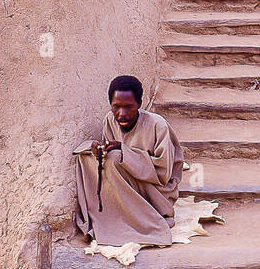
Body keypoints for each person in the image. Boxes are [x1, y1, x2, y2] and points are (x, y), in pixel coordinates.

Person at [73, 74, 183, 247]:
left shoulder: (157, 125)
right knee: (85, 157)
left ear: (139, 105)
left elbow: (163, 173)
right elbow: (109, 162)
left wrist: (124, 152)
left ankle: (143, 220)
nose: (121, 114)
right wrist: (100, 150)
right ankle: (114, 216)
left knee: (116, 157)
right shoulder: (110, 120)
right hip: (125, 186)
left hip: (156, 190)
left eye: (128, 107)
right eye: (116, 107)